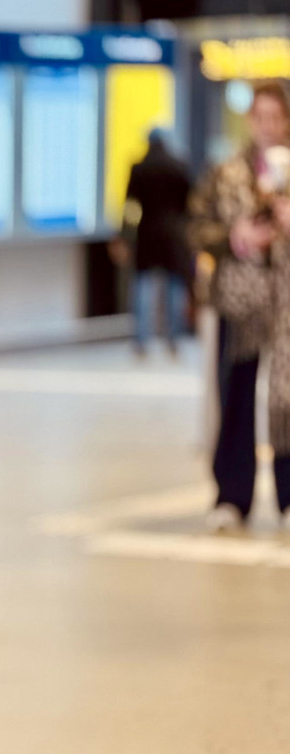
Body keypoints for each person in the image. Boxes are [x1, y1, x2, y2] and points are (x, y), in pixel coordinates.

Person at [190, 81, 290, 533]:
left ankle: (288, 497)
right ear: (250, 120)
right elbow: (195, 227)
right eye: (260, 117)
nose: (267, 126)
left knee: (285, 399)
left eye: (276, 117)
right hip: (239, 299)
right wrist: (236, 238)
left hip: (285, 303)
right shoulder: (226, 172)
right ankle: (232, 495)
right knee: (235, 395)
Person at [123, 131, 193, 356]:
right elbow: (189, 205)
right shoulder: (178, 166)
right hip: (173, 235)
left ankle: (141, 340)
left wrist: (125, 235)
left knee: (143, 287)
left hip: (147, 234)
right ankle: (173, 339)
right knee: (174, 289)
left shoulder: (139, 168)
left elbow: (131, 206)